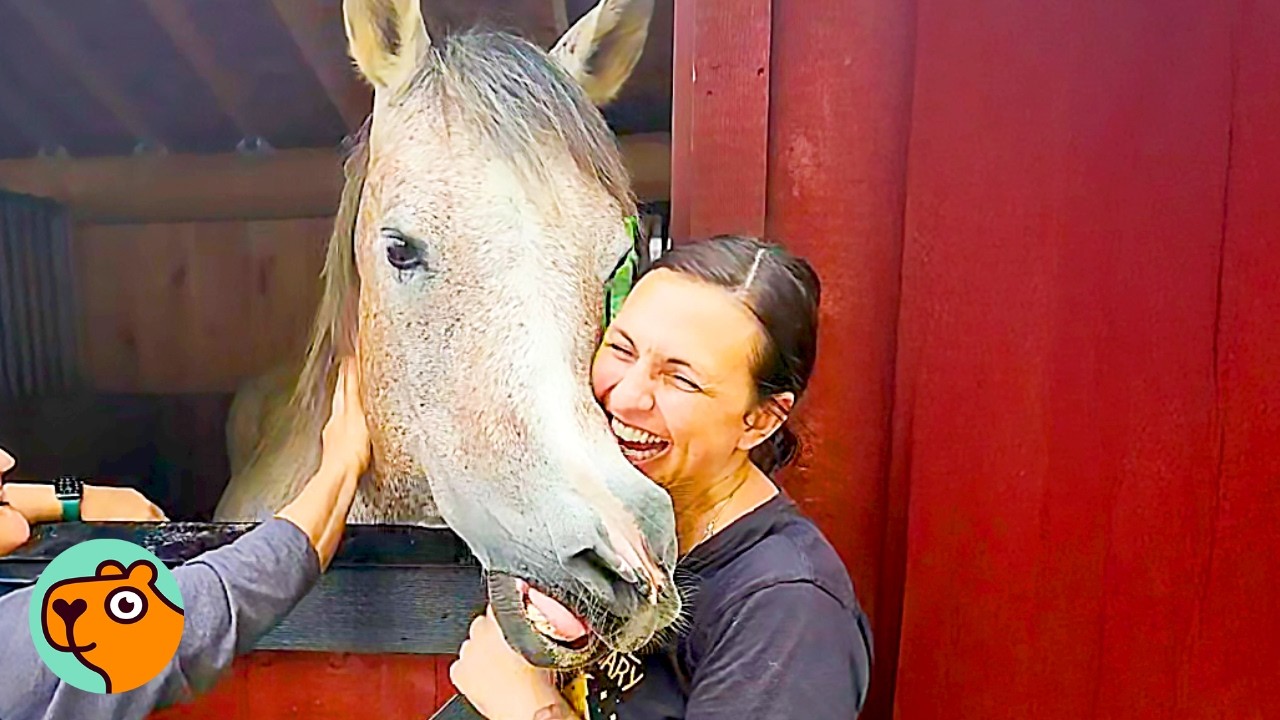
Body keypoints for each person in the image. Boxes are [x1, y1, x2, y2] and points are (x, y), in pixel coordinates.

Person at [449, 236, 874, 720]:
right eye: (622, 349)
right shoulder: (610, 516)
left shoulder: (786, 607)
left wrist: (526, 708)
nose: (627, 397)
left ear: (760, 420)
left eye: (681, 379)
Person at [0, 357, 371, 720]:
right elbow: (221, 596)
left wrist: (72, 497)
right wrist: (340, 463)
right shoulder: (30, 648)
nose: (5, 461)